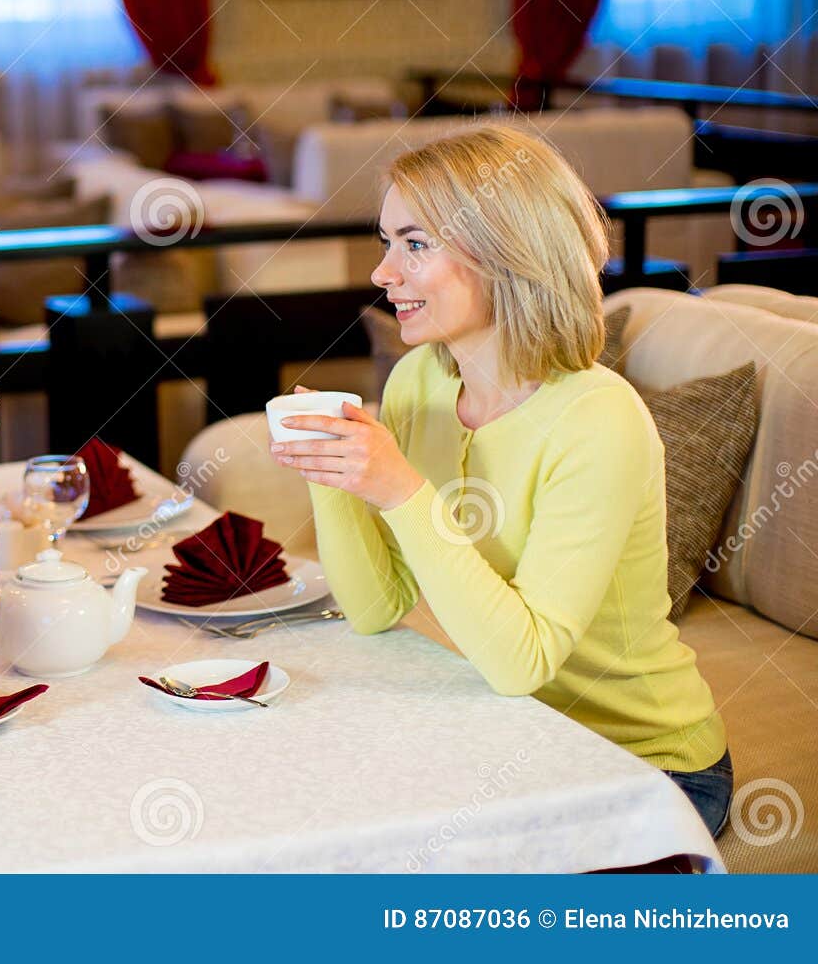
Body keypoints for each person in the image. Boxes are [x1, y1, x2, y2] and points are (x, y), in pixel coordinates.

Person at [270, 125, 732, 838]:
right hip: (518, 737)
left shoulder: (596, 418)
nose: (383, 273)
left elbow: (524, 659)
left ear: (505, 250)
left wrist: (398, 489)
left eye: (415, 244)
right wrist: (334, 470)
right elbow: (376, 607)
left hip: (645, 767)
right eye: (387, 241)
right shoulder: (420, 378)